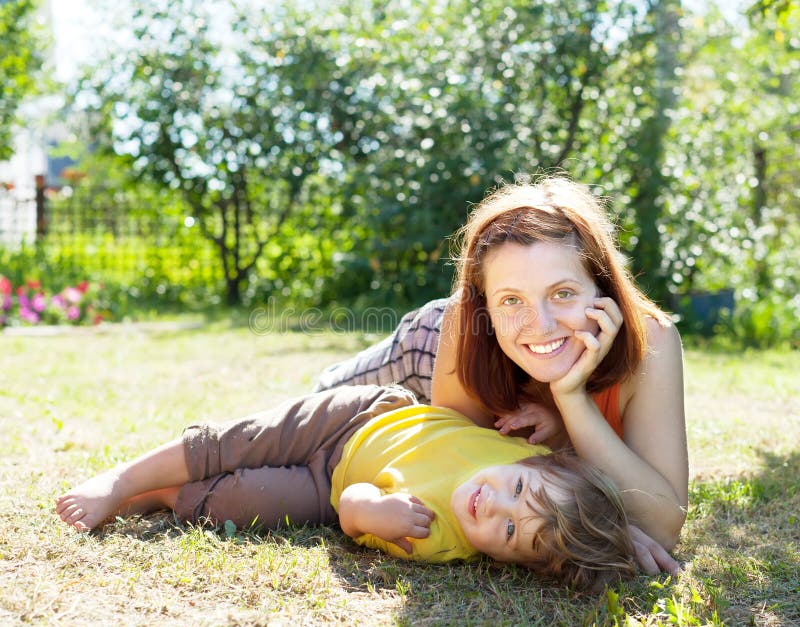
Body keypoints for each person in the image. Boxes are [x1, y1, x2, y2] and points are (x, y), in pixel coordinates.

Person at [314, 176, 689, 559]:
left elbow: (662, 527)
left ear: (603, 288)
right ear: (485, 305)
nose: (540, 324)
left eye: (563, 293)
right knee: (325, 403)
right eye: (511, 299)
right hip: (427, 351)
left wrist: (571, 399)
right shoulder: (467, 320)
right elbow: (456, 454)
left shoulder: (651, 342)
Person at [56, 384, 639, 591]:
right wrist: (554, 419)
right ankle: (122, 480)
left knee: (240, 504)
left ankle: (160, 496)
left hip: (327, 486)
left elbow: (352, 516)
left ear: (513, 561)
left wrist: (377, 513)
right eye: (516, 489)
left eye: (511, 532)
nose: (497, 507)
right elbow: (571, 456)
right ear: (536, 462)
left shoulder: (434, 537)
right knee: (242, 440)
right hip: (361, 415)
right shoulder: (536, 452)